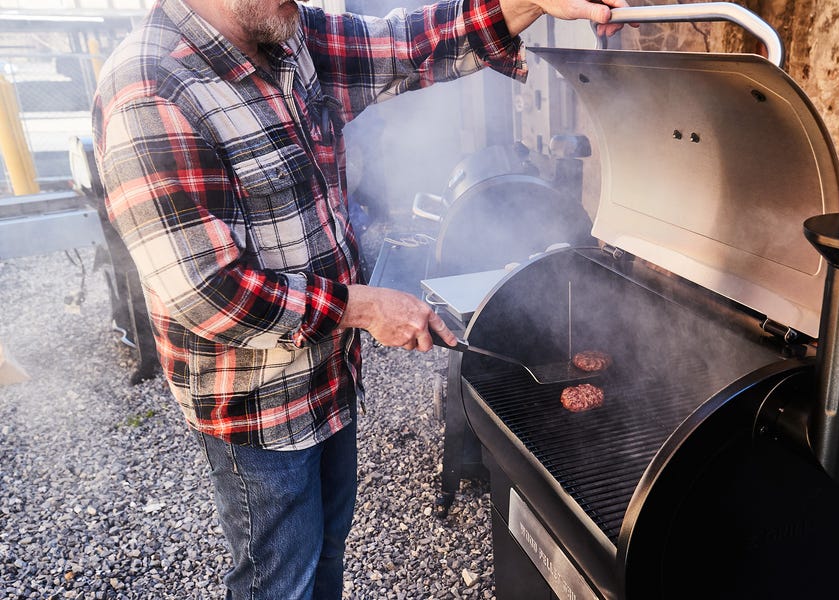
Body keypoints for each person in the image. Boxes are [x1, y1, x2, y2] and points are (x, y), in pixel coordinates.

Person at [90, 0, 627, 597]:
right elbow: (207, 292)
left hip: (330, 378)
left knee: (326, 562)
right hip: (255, 410)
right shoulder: (149, 90)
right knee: (280, 581)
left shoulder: (284, 31)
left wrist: (527, 2)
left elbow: (404, 43)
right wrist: (364, 307)